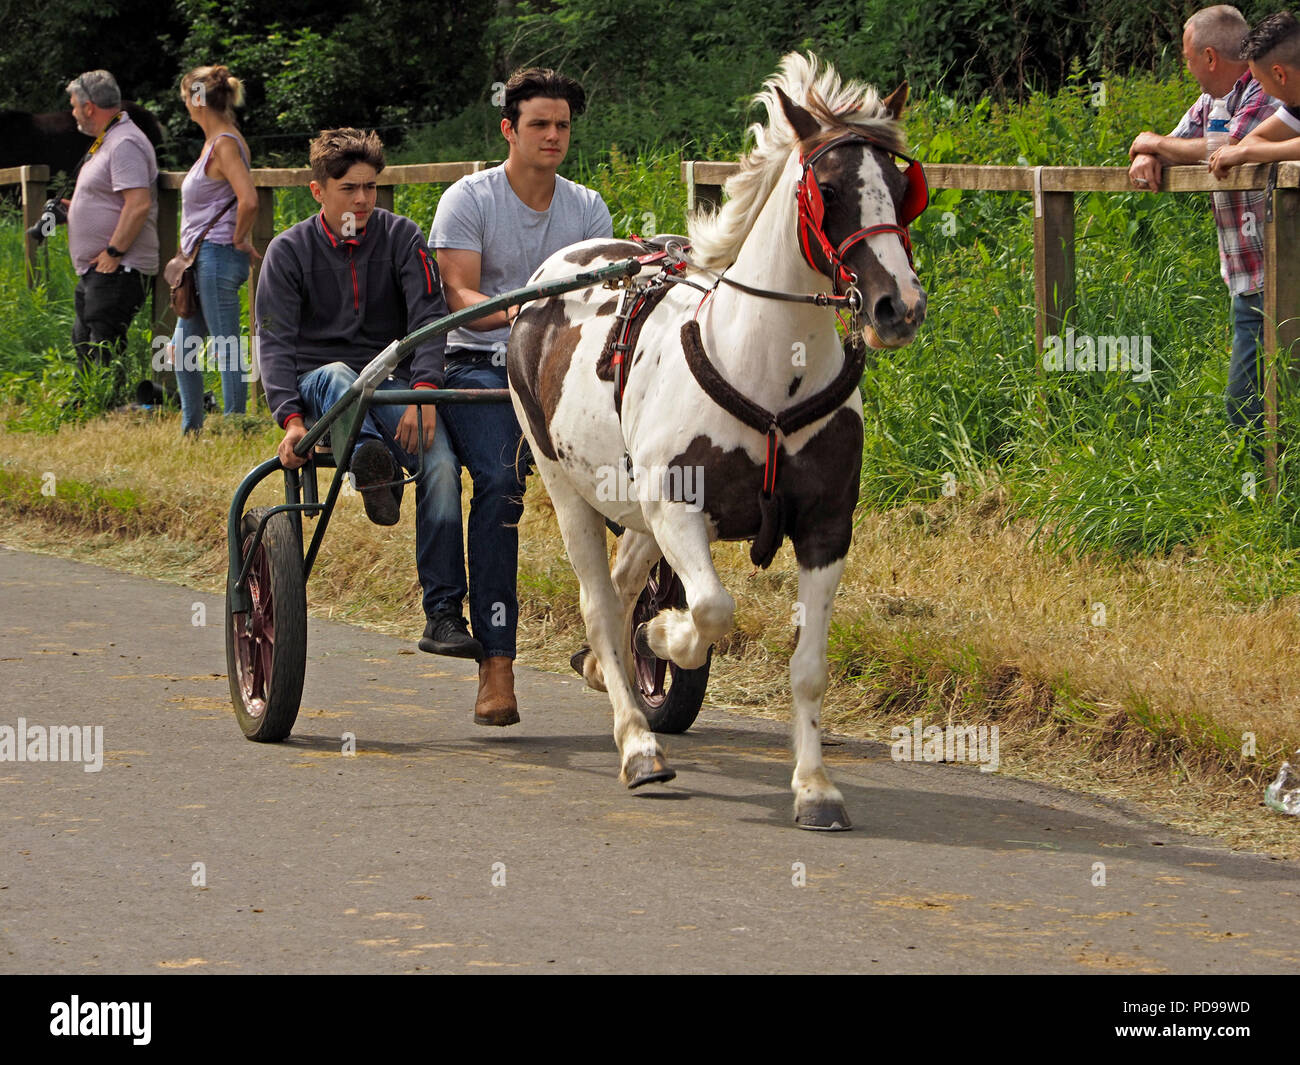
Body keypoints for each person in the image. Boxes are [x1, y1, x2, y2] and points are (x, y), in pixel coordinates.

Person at [428, 67, 613, 726]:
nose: (553, 135)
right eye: (539, 123)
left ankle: (620, 642)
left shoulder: (587, 206)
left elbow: (598, 302)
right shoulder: (468, 200)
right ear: (509, 129)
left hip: (566, 375)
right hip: (480, 368)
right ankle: (497, 663)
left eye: (562, 125)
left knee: (637, 479)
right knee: (502, 486)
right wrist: (526, 320)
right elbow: (457, 299)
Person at [256, 128, 456, 668]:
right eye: (349, 188)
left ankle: (442, 613)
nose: (363, 199)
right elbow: (273, 343)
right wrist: (290, 421)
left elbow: (429, 321)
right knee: (343, 374)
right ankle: (373, 464)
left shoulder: (403, 237)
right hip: (320, 388)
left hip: (391, 383)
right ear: (318, 190)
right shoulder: (288, 251)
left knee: (441, 463)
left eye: (371, 187)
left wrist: (424, 391)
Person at [1127, 5, 1279, 439]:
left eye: (1187, 55)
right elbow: (1177, 143)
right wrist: (1147, 152)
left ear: (1210, 57)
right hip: (1244, 274)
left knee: (1247, 405)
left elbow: (1232, 147)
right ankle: (1269, 493)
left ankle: (1269, 496)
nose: (1184, 64)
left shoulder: (1266, 90)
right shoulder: (1211, 100)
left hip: (1280, 270)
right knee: (1255, 398)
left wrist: (1151, 142)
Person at [170, 65, 260, 434]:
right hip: (201, 259)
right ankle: (192, 428)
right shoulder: (215, 142)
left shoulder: (224, 143)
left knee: (225, 345)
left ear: (197, 101)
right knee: (181, 347)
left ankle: (235, 425)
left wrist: (239, 238)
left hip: (218, 255)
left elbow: (249, 199)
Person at [65, 69, 159, 403]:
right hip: (100, 266)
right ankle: (87, 400)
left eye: (75, 105)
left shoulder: (125, 143)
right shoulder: (110, 140)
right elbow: (112, 198)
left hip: (120, 264)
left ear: (90, 107)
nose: (73, 112)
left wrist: (114, 251)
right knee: (84, 335)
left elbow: (137, 204)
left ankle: (106, 401)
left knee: (102, 337)